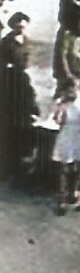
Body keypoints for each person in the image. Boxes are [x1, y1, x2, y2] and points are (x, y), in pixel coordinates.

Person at [0, 13, 37, 183]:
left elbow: (27, 62)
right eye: (17, 26)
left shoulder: (27, 42)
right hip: (8, 81)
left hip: (23, 80)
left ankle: (20, 162)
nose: (20, 28)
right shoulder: (5, 42)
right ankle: (8, 165)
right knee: (9, 124)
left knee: (24, 121)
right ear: (12, 25)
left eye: (23, 26)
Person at [51, 78, 80, 215]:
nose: (73, 92)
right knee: (64, 169)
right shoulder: (62, 104)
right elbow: (58, 121)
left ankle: (73, 192)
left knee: (77, 167)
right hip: (66, 136)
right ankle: (61, 199)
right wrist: (61, 108)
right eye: (70, 90)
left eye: (75, 89)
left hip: (78, 136)